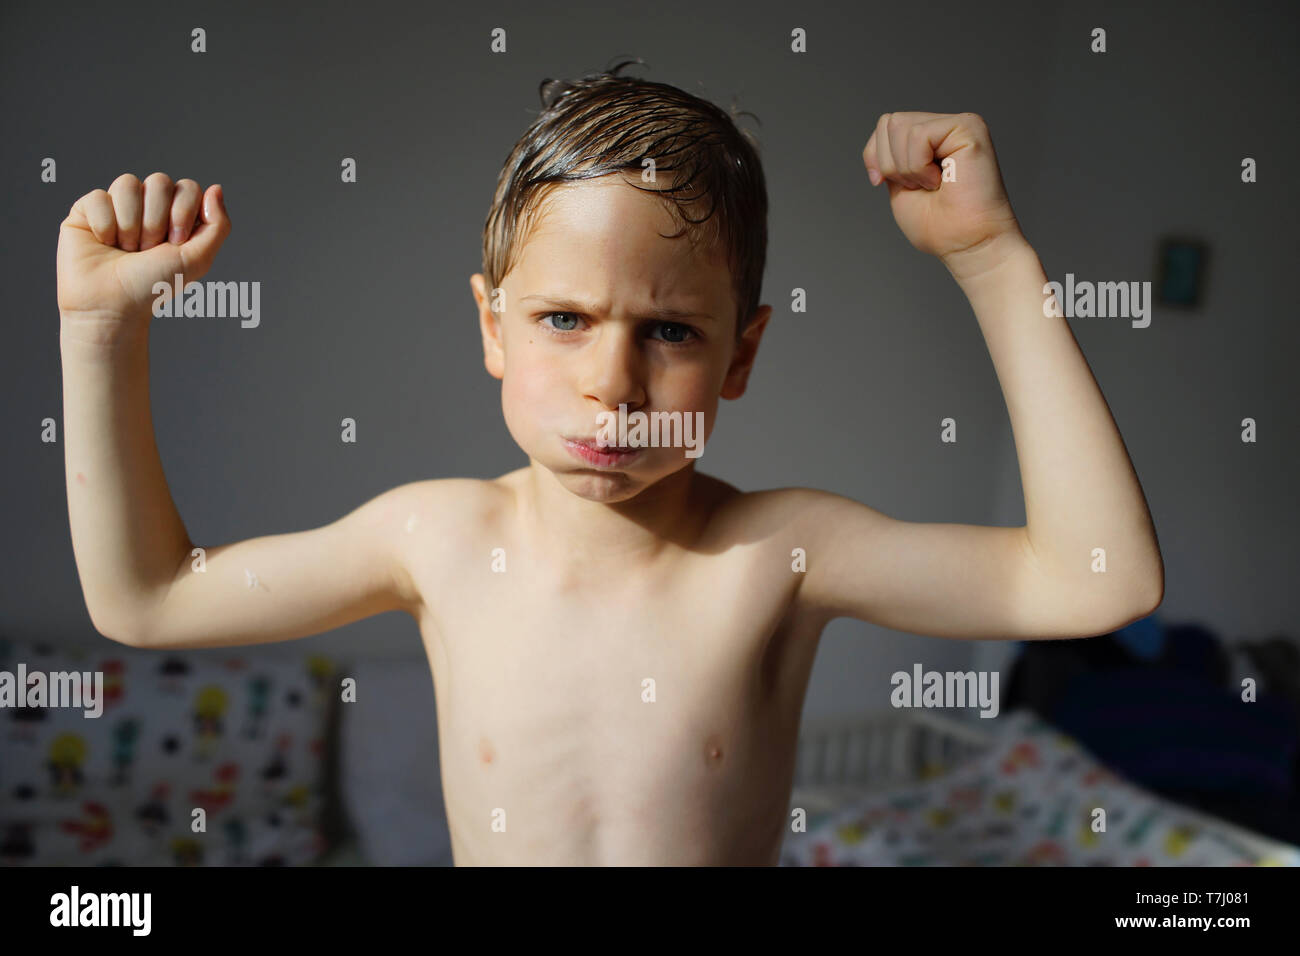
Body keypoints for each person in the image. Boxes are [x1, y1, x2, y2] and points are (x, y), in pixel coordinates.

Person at [56, 63, 1162, 865]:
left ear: (743, 352)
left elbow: (1101, 576)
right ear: (492, 328)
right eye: (563, 318)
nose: (614, 385)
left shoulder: (782, 551)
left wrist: (990, 259)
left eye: (671, 331)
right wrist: (101, 332)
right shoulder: (434, 538)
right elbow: (147, 600)